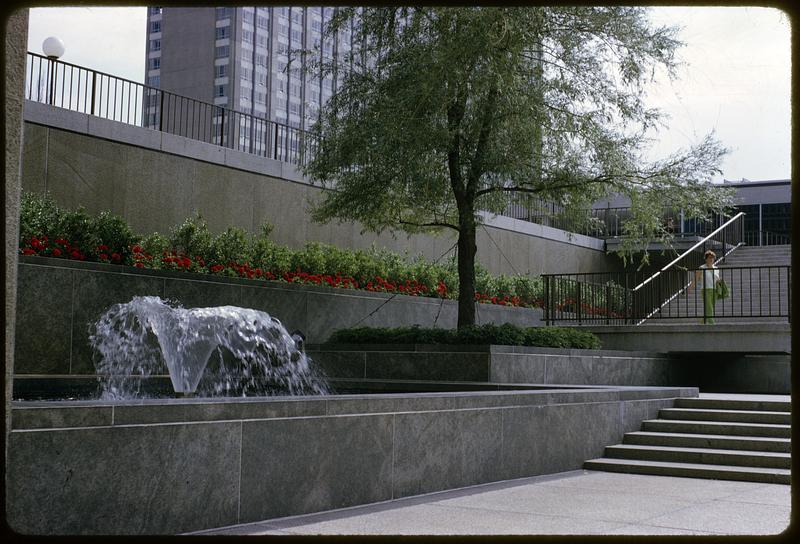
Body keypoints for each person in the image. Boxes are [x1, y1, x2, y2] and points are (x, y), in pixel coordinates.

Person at [694, 250, 720, 324]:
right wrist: (691, 287)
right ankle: (712, 324)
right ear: (706, 259)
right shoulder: (702, 267)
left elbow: (717, 279)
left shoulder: (716, 268)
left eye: (712, 258)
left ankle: (702, 323)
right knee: (709, 308)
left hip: (714, 290)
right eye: (709, 257)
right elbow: (696, 278)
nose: (711, 259)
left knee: (709, 308)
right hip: (705, 289)